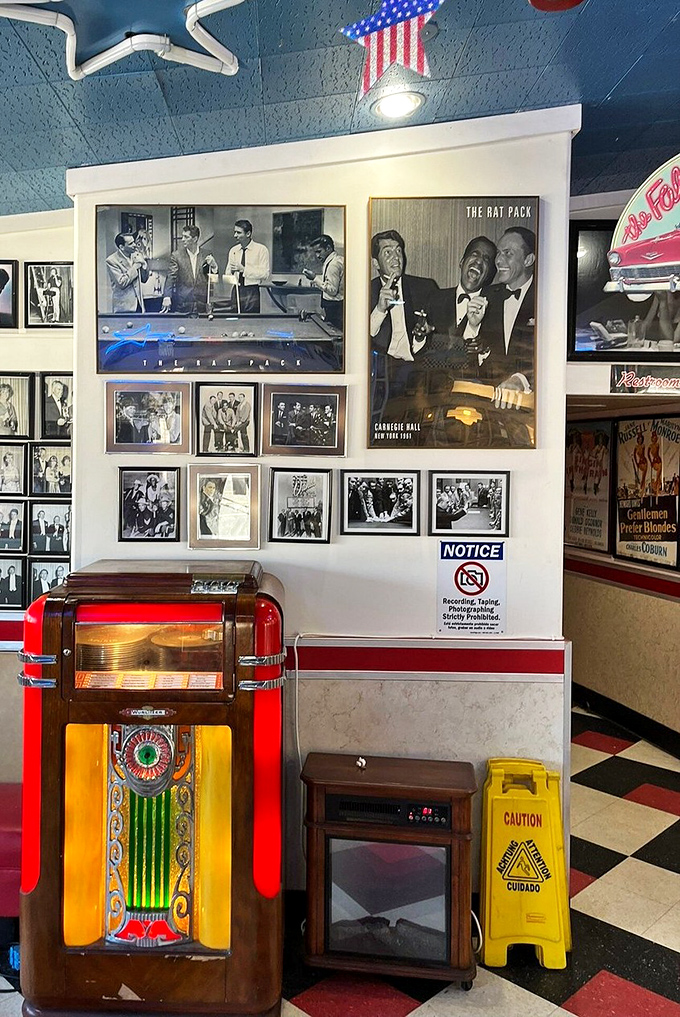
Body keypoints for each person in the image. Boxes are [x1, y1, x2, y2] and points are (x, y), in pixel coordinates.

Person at [464, 227, 537, 400]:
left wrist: (520, 380)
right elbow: (470, 356)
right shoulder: (487, 295)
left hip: (531, 401)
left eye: (508, 253)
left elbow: (551, 356)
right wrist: (473, 326)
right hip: (489, 399)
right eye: (498, 253)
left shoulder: (545, 298)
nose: (498, 260)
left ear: (528, 259)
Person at [369, 229, 439, 363]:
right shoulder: (365, 292)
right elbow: (362, 340)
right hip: (382, 368)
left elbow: (439, 335)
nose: (396, 257)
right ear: (376, 263)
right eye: (388, 252)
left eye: (399, 251)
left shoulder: (425, 288)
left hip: (417, 366)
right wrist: (380, 309)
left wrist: (420, 337)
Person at [161, 225, 218, 315]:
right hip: (183, 303)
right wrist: (167, 296)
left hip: (202, 304)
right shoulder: (176, 256)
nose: (183, 239)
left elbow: (212, 278)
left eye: (186, 237)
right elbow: (171, 277)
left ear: (195, 239)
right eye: (183, 236)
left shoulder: (207, 254)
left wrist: (214, 266)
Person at [225, 219, 270, 313]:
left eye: (238, 232)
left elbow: (265, 274)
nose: (235, 235)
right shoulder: (233, 250)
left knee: (251, 321)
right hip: (236, 290)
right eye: (234, 232)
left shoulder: (261, 250)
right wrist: (231, 273)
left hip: (252, 291)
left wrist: (243, 269)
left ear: (248, 234)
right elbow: (227, 275)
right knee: (233, 319)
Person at [303, 235, 344, 329]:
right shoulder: (335, 260)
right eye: (315, 252)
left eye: (319, 251)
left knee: (333, 335)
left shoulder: (333, 264)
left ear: (328, 248)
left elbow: (332, 290)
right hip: (336, 306)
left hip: (335, 308)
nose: (317, 256)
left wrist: (314, 278)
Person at [106, 232, 150, 313]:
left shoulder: (136, 255)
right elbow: (121, 283)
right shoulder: (112, 260)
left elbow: (144, 280)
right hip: (124, 307)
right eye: (130, 243)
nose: (135, 245)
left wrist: (144, 265)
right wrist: (135, 267)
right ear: (122, 247)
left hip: (139, 305)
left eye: (133, 242)